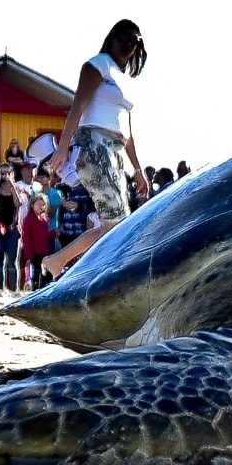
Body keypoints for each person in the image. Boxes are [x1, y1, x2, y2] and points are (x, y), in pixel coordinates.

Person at [43, 19, 149, 279]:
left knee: (114, 224)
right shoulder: (98, 64)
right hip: (94, 146)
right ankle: (103, 275)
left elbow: (128, 134)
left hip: (116, 152)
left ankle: (58, 261)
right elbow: (78, 106)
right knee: (118, 224)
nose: (129, 44)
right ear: (113, 38)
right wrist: (63, 147)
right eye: (124, 38)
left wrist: (138, 170)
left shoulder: (125, 79)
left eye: (135, 41)